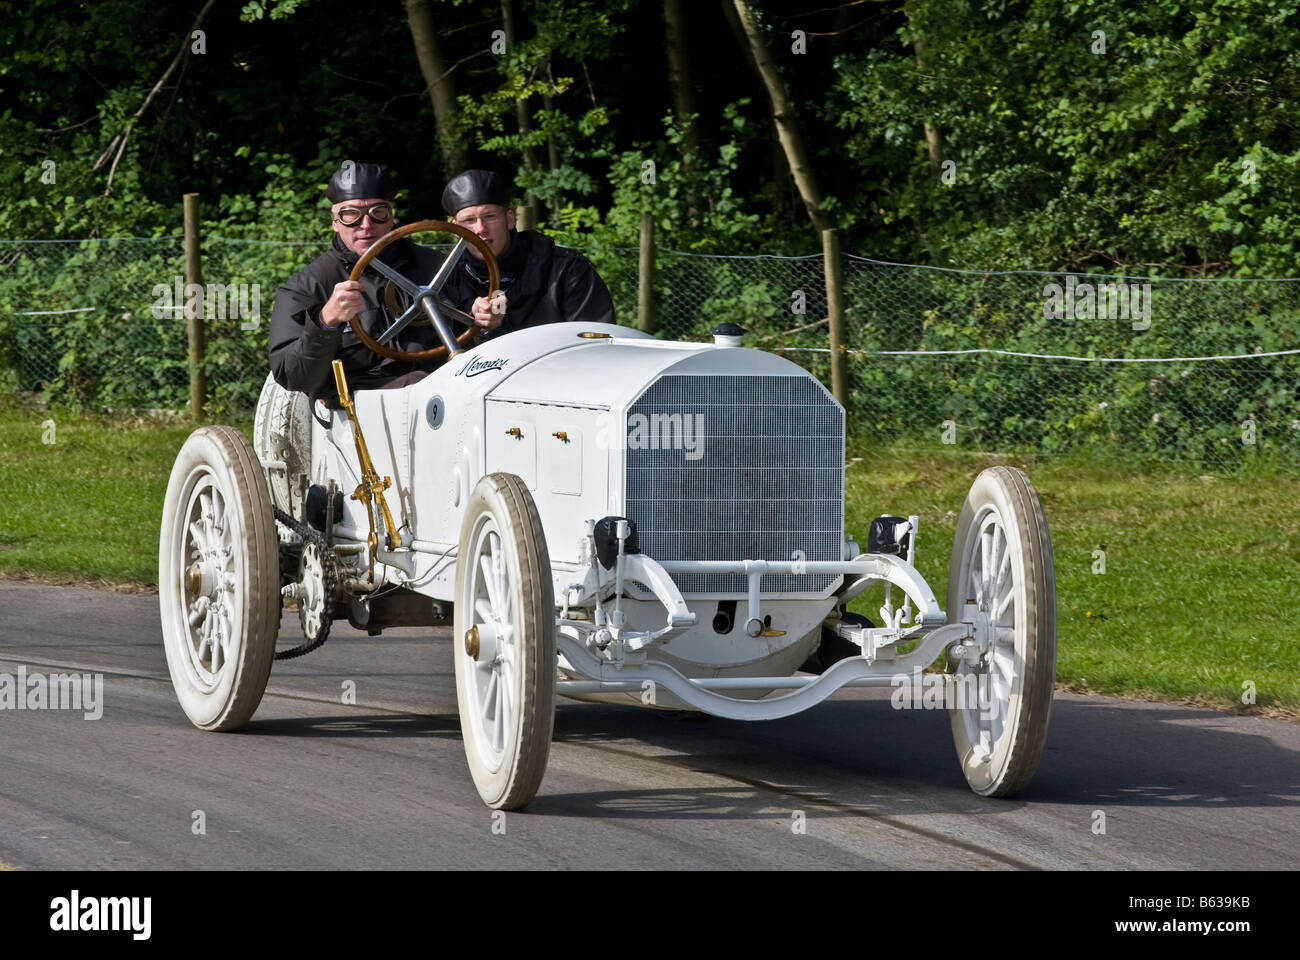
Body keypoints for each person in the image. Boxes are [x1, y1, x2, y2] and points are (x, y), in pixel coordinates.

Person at [268, 162, 451, 399]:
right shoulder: (306, 288)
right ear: (335, 222)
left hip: (442, 387)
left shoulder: (438, 268)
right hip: (357, 401)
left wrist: (485, 322)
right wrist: (325, 322)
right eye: (351, 215)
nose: (366, 225)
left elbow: (473, 338)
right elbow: (292, 377)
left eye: (378, 212)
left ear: (391, 217)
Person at [437, 169, 615, 335]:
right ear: (455, 230)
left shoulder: (566, 270)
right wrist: (473, 322)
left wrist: (502, 323)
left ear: (509, 219)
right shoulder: (443, 282)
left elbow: (597, 339)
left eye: (489, 216)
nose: (480, 229)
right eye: (469, 220)